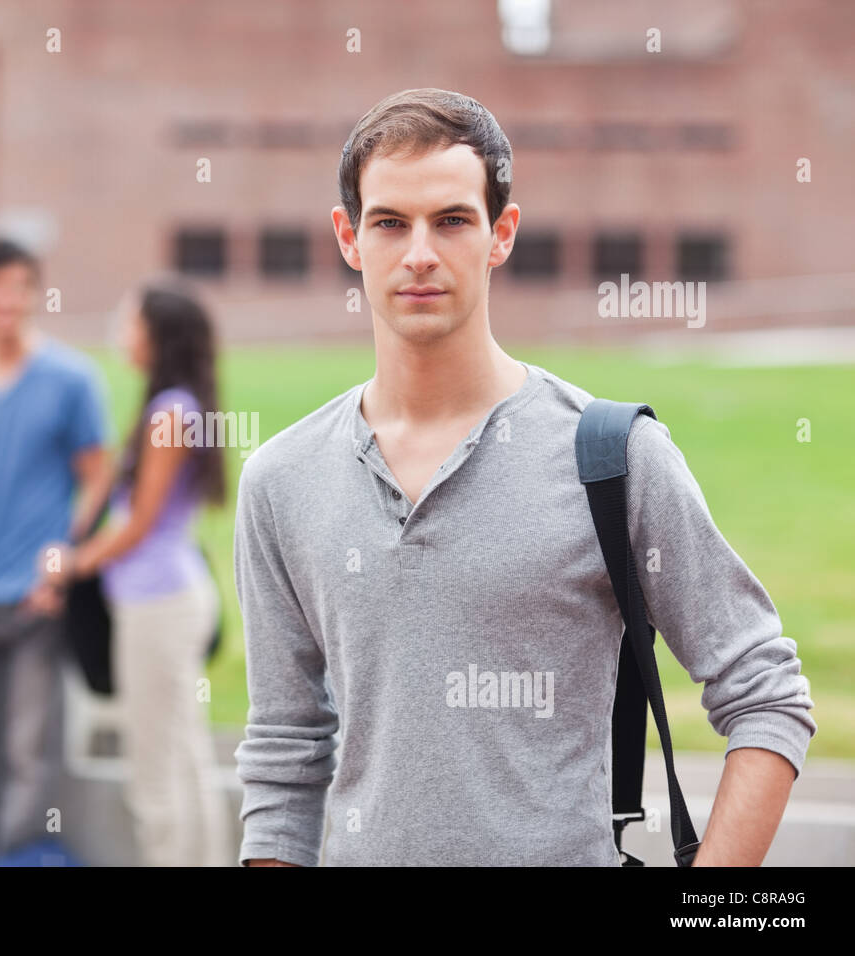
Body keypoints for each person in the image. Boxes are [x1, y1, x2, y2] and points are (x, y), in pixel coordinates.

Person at [233, 88, 817, 867]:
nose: (419, 254)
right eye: (389, 223)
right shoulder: (280, 480)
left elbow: (767, 694)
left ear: (500, 234)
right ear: (349, 237)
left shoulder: (612, 457)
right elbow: (284, 750)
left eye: (451, 220)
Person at [37, 280, 232, 866]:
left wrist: (70, 562)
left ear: (159, 335)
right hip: (170, 599)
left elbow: (139, 523)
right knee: (186, 756)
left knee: (153, 773)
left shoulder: (170, 412)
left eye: (131, 324)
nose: (121, 335)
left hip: (157, 606)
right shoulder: (179, 405)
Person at [0, 237, 109, 866]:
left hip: (37, 603)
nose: (8, 300)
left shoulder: (71, 379)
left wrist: (60, 563)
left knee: (30, 753)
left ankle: (13, 861)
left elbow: (97, 479)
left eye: (20, 287)